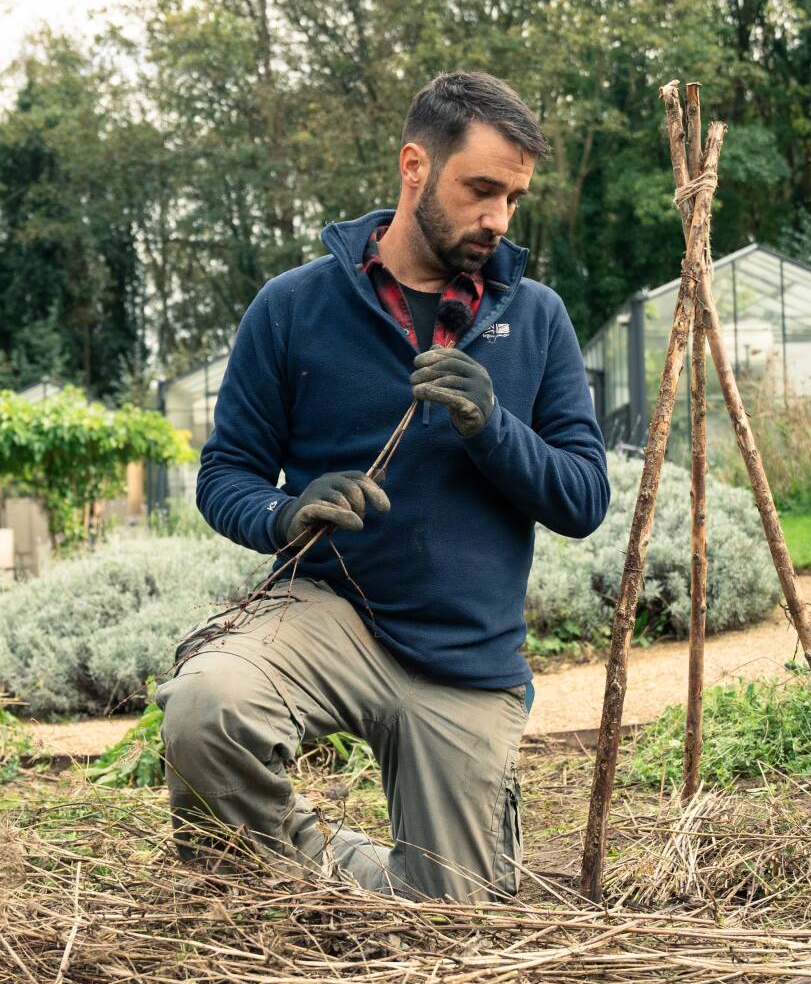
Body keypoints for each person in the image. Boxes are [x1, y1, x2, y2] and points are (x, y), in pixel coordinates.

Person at [156, 71, 610, 902]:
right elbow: (225, 475)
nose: (498, 219)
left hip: (466, 660)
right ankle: (303, 885)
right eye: (480, 189)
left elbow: (583, 498)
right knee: (205, 709)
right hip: (332, 617)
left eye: (513, 198)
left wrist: (492, 425)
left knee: (456, 925)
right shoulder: (293, 308)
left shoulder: (536, 317)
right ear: (414, 167)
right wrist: (284, 512)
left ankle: (356, 878)